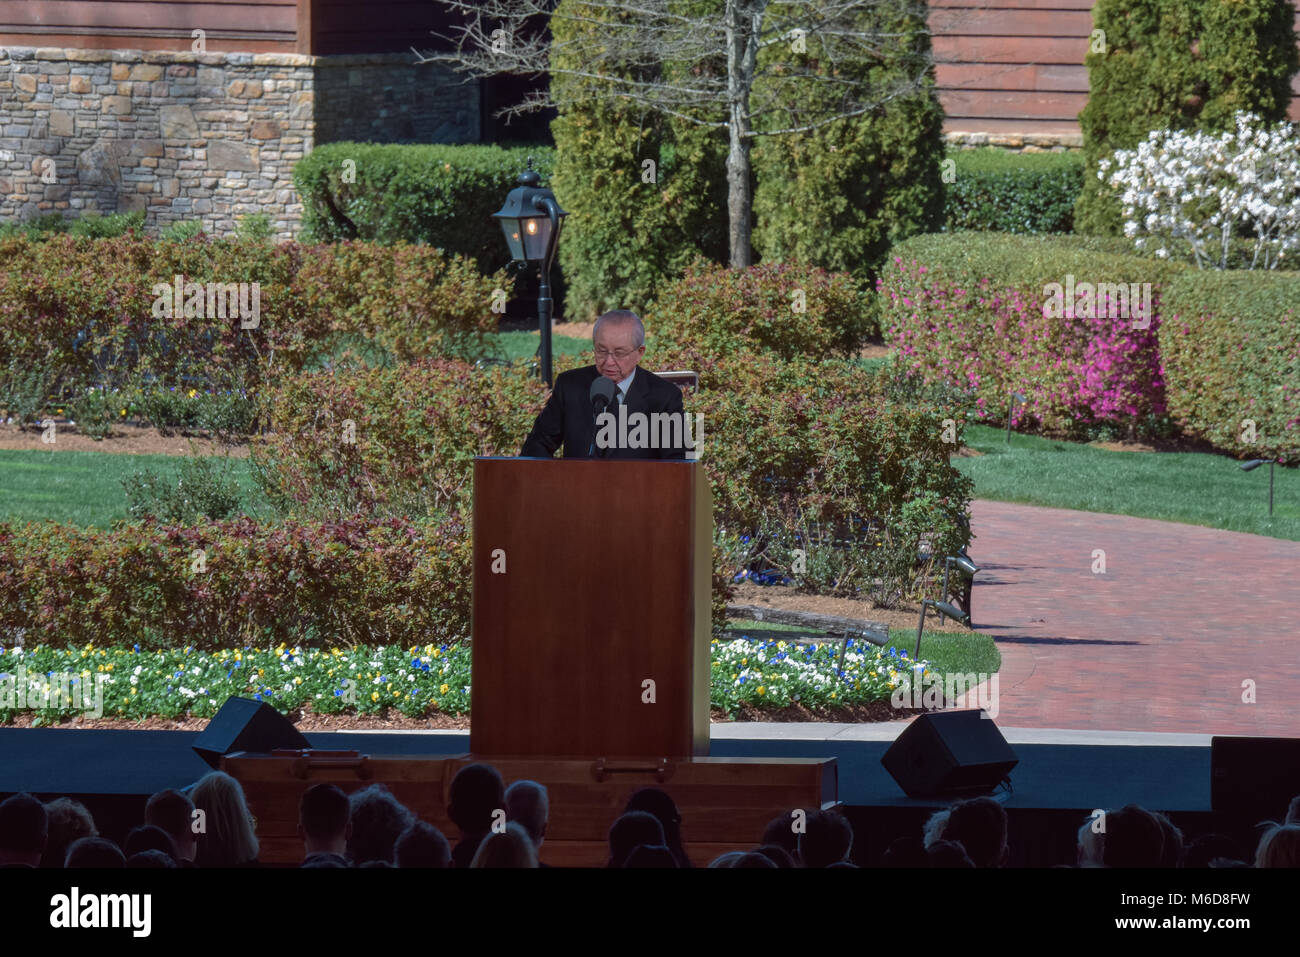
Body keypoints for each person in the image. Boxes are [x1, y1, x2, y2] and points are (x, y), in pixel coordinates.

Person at [520, 310, 689, 460]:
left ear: (640, 353)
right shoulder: (570, 386)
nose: (609, 362)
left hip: (637, 493)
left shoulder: (665, 397)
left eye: (619, 353)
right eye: (601, 351)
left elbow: (678, 464)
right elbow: (536, 446)